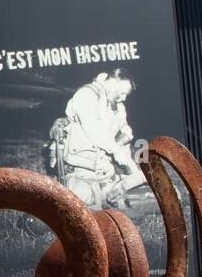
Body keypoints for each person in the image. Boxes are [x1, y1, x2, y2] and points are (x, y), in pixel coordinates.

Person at [53, 69, 146, 207]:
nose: (124, 98)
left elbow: (123, 134)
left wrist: (131, 168)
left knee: (123, 196)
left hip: (104, 166)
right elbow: (94, 131)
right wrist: (117, 152)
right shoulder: (86, 95)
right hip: (79, 165)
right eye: (122, 93)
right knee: (82, 199)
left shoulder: (118, 107)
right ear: (113, 82)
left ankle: (107, 189)